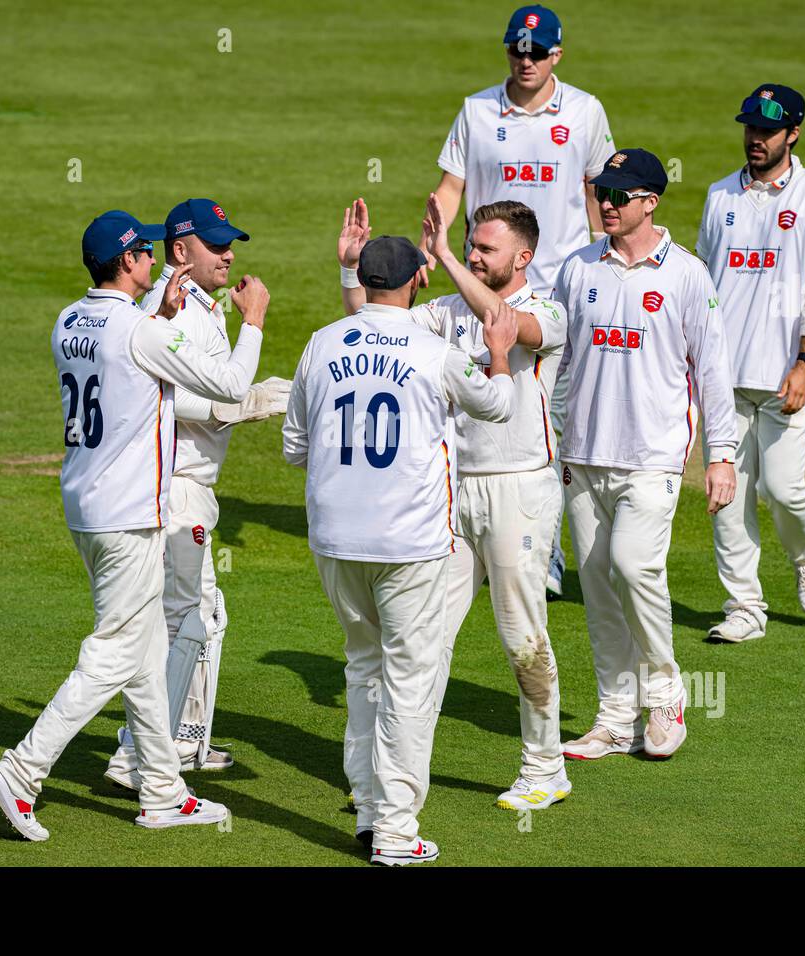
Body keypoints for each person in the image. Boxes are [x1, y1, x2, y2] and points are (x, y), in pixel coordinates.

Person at [0, 209, 271, 841]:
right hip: (131, 513)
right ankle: (22, 771)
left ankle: (162, 790)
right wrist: (254, 321)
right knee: (114, 652)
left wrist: (161, 317)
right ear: (132, 260)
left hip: (84, 505)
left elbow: (125, 372)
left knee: (145, 652)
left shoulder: (69, 321)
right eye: (147, 253)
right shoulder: (139, 329)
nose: (155, 261)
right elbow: (229, 384)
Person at [284, 236, 518, 864]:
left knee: (363, 666)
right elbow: (498, 405)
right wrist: (497, 354)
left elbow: (295, 447)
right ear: (416, 282)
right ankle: (394, 829)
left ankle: (366, 805)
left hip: (334, 537)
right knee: (410, 680)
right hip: (411, 543)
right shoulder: (434, 350)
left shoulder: (322, 342)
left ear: (363, 277)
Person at [337, 196, 570, 810]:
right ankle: (399, 780)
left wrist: (438, 253)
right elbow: (376, 324)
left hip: (520, 489)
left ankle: (545, 767)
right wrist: (352, 270)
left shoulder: (547, 309)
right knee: (425, 638)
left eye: (484, 248)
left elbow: (507, 323)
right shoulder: (442, 311)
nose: (471, 254)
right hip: (450, 492)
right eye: (467, 244)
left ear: (523, 256)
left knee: (522, 635)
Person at [427, 3, 619, 597]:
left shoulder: (584, 111)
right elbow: (451, 186)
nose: (526, 60)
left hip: (557, 289)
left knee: (551, 413)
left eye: (537, 53)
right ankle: (473, 533)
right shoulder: (477, 110)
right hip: (485, 279)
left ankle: (546, 549)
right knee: (478, 401)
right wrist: (435, 244)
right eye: (517, 50)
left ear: (557, 55)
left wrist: (608, 260)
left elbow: (595, 192)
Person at [552, 151, 738, 761]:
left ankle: (664, 693)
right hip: (582, 455)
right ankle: (613, 719)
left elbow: (712, 370)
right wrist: (548, 443)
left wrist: (722, 455)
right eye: (603, 192)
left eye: (620, 195)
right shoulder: (579, 268)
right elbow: (557, 359)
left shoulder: (686, 274)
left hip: (653, 456)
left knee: (634, 567)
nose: (607, 203)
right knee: (599, 588)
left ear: (650, 202)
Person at [104, 199, 290, 787]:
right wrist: (238, 403)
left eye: (230, 241)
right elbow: (161, 394)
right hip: (177, 485)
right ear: (181, 250)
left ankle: (185, 739)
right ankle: (142, 751)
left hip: (187, 487)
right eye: (215, 244)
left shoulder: (193, 305)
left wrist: (244, 399)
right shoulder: (176, 311)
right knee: (194, 617)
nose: (229, 253)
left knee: (194, 617)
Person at [696, 85, 805, 643]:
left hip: (786, 372)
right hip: (723, 376)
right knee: (726, 494)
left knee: (783, 489)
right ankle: (744, 608)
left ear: (793, 134)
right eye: (749, 128)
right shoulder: (719, 196)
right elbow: (705, 286)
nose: (755, 139)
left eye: (767, 130)